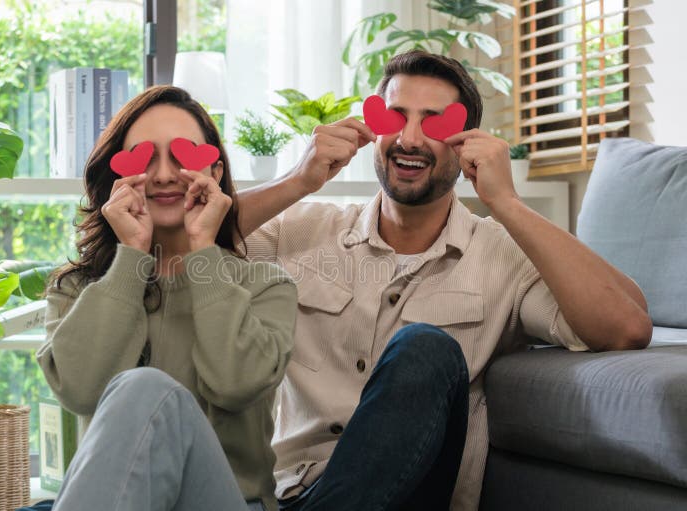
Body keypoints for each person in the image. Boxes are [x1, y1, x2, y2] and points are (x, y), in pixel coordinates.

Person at [234, 50, 652, 510]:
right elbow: (189, 247)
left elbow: (626, 326)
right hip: (296, 493)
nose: (408, 139)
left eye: (433, 124)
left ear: (466, 142)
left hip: (414, 497)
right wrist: (297, 180)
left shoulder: (505, 257)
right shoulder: (302, 230)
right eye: (394, 118)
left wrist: (507, 203)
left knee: (424, 348)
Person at [36, 85, 297, 511]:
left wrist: (203, 251)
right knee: (140, 389)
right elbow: (81, 392)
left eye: (183, 156)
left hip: (230, 502)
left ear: (213, 173)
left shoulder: (267, 287)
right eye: (142, 158)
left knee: (145, 387)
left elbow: (236, 384)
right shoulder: (76, 289)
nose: (161, 175)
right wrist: (131, 258)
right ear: (115, 177)